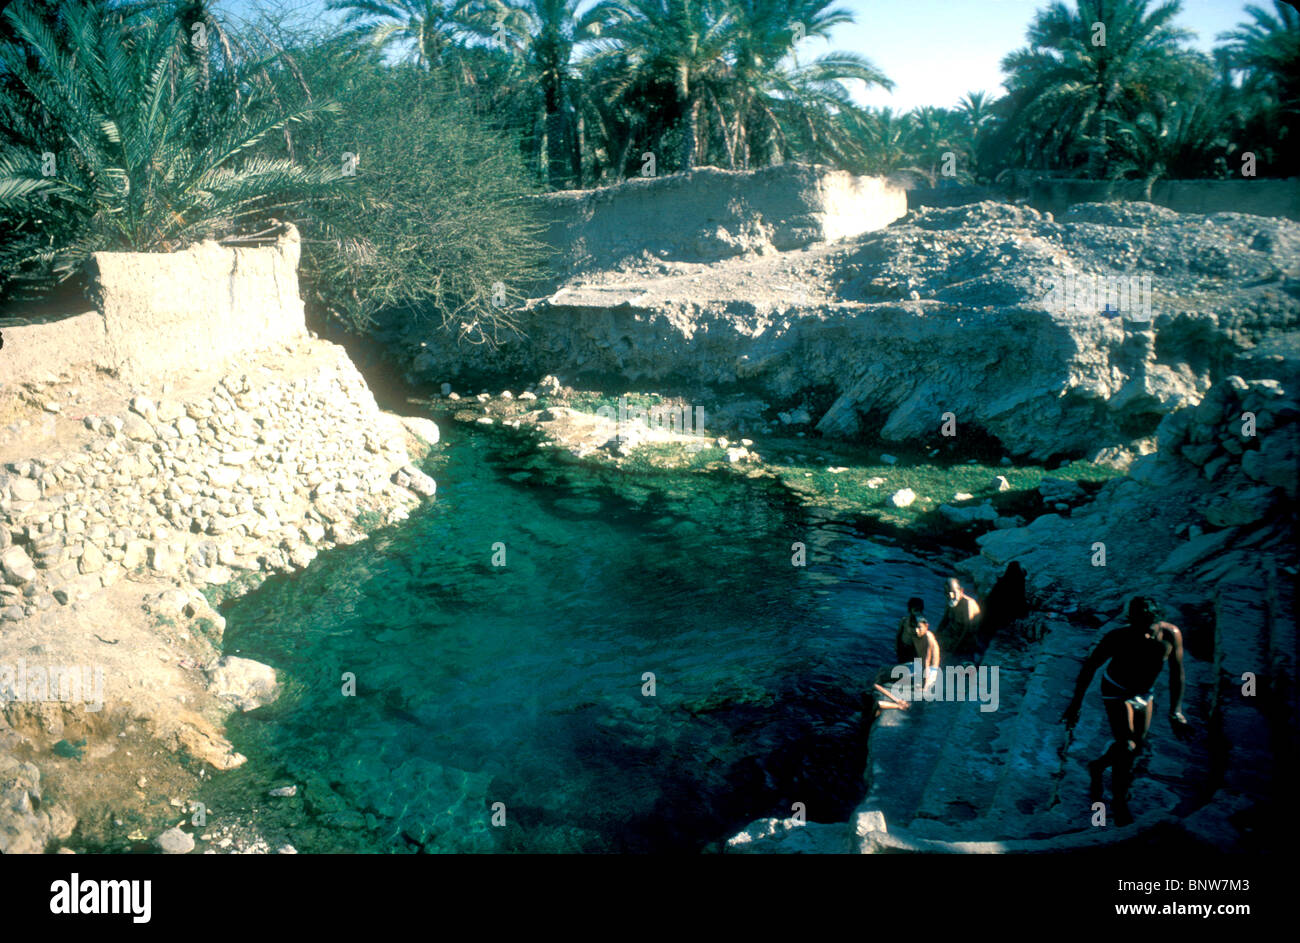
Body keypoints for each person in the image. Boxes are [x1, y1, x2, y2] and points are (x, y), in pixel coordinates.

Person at [1061, 596, 1191, 826]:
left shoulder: (1171, 635)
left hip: (1145, 693)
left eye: (1149, 629)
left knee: (1137, 746)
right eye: (1139, 628)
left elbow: (1177, 674)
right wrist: (1075, 704)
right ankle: (1119, 801)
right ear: (1131, 622)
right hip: (1116, 689)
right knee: (1126, 744)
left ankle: (1098, 766)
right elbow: (1090, 667)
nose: (1145, 635)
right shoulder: (1118, 637)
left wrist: (1176, 711)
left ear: (1158, 622)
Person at [938, 578, 982, 654]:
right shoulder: (951, 600)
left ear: (961, 591)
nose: (951, 596)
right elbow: (945, 620)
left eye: (953, 592)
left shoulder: (968, 604)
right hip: (953, 633)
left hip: (966, 639)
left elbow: (967, 630)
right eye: (947, 593)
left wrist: (954, 649)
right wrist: (936, 634)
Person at [896, 597, 926, 665]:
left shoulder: (922, 623)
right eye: (915, 610)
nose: (917, 612)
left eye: (919, 610)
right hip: (903, 648)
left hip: (914, 650)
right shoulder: (904, 620)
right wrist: (897, 647)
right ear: (910, 610)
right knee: (902, 666)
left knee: (915, 670)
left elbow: (923, 637)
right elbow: (898, 635)